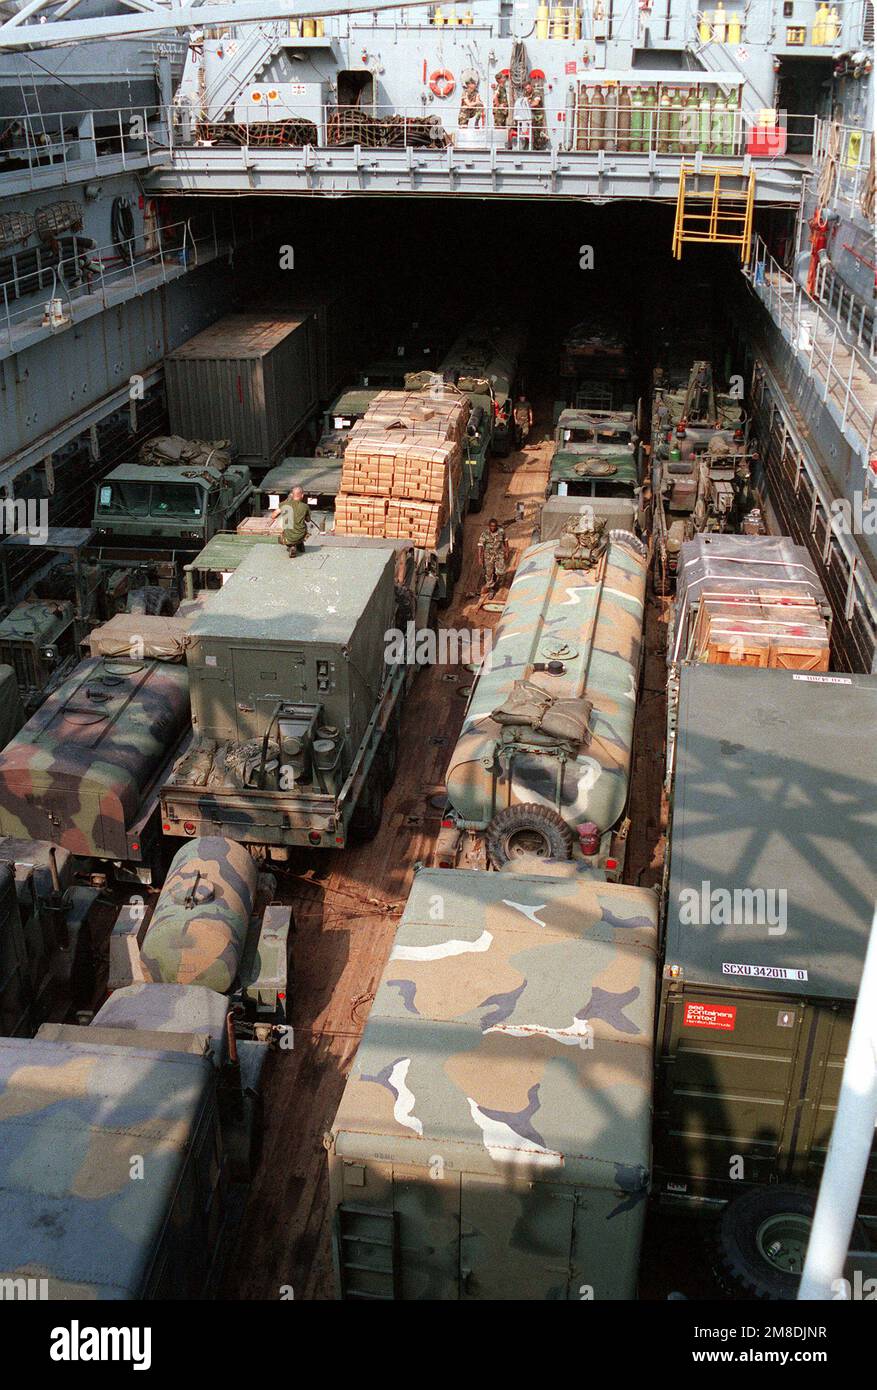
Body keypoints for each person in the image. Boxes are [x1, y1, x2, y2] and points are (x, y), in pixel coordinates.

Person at [477, 518, 510, 595]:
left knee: (501, 572)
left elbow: (506, 541)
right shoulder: (485, 534)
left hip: (499, 555)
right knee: (489, 573)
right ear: (489, 526)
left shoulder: (501, 532)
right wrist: (480, 557)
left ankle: (495, 582)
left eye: (494, 526)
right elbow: (480, 546)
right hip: (488, 556)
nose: (493, 528)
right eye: (491, 526)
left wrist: (507, 551)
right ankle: (491, 587)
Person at [277, 485, 311, 556]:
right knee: (305, 526)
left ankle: (291, 546)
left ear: (292, 495)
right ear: (302, 495)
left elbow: (273, 515)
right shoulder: (305, 506)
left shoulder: (285, 505)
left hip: (288, 536)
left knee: (285, 521)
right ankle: (299, 543)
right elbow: (308, 520)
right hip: (300, 534)